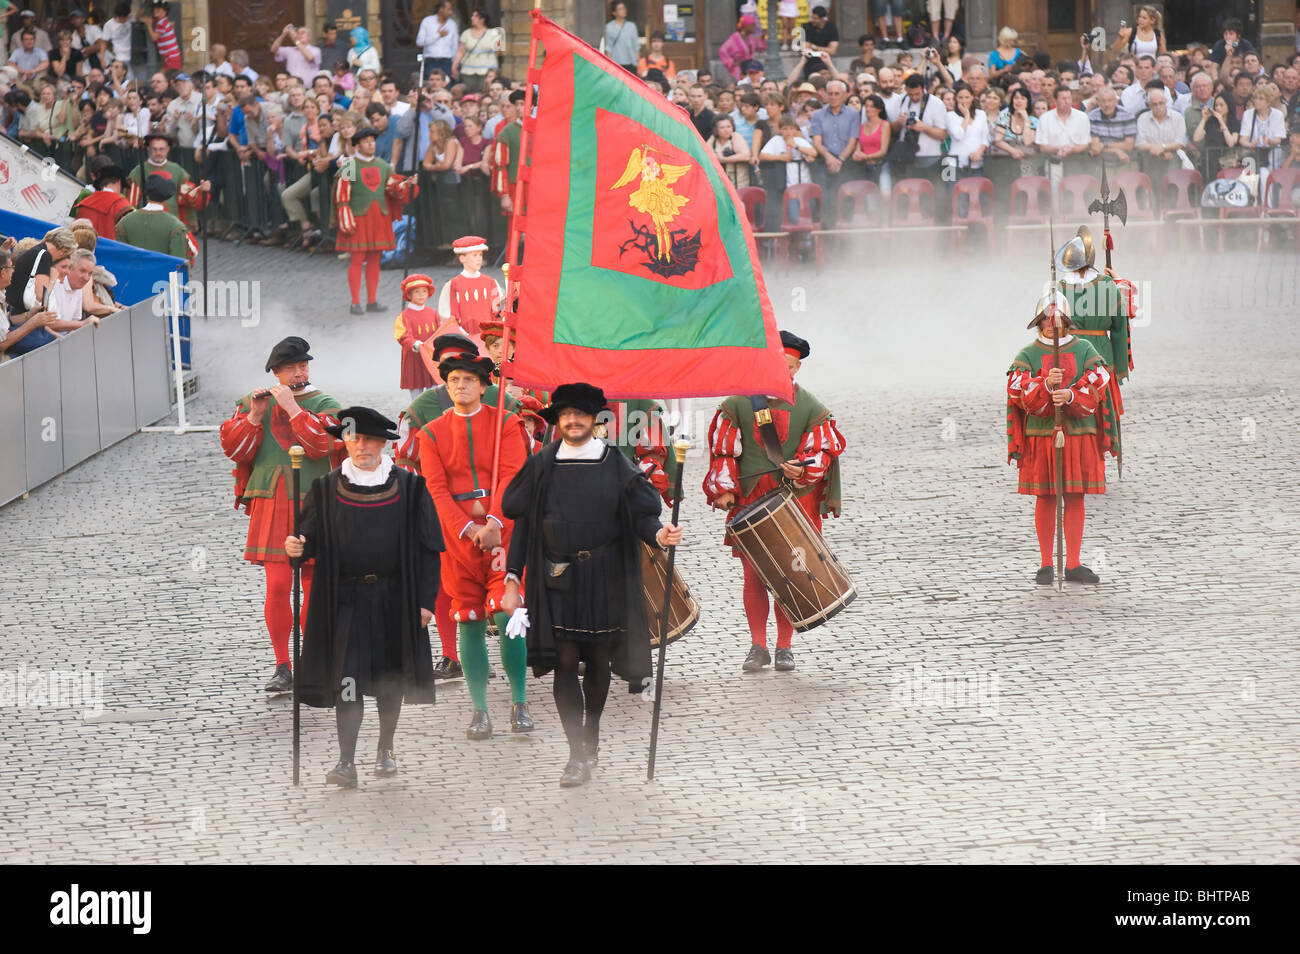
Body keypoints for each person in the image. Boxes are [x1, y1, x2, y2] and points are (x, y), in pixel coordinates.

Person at [501, 383, 682, 786]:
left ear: (595, 420)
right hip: (556, 578)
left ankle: (592, 730)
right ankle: (575, 754)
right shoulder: (543, 464)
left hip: (605, 578)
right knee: (565, 663)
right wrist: (512, 579)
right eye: (565, 415)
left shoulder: (615, 464)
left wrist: (658, 535)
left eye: (580, 414)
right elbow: (521, 520)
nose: (573, 421)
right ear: (558, 421)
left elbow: (641, 515)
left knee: (597, 663)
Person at [285, 406, 442, 787]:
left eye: (370, 440)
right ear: (345, 442)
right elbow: (309, 539)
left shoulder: (410, 487)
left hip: (396, 598)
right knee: (348, 679)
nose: (362, 446)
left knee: (390, 677)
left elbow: (428, 549)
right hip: (345, 601)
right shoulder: (325, 489)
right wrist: (297, 547)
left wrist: (425, 602)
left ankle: (385, 748)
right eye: (354, 438)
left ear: (383, 443)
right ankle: (346, 761)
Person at [702, 331, 845, 673]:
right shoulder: (737, 404)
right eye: (777, 362)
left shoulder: (810, 406)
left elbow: (822, 450)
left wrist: (803, 471)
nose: (784, 369)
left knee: (789, 573)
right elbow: (724, 450)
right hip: (751, 497)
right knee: (753, 575)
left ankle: (784, 647)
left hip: (795, 502)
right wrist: (723, 489)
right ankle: (758, 646)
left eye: (790, 365)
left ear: (796, 369)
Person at [414, 337, 533, 738]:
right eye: (454, 380)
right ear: (446, 386)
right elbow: (436, 489)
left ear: (483, 385)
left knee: (507, 613)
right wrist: (467, 529)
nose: (461, 386)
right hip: (457, 539)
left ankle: (520, 701)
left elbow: (513, 473)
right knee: (468, 619)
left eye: (468, 380)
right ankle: (479, 709)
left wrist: (496, 521)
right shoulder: (430, 434)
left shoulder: (506, 423)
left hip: (504, 535)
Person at [219, 336, 343, 693]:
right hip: (273, 500)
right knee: (276, 586)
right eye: (292, 368)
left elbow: (322, 444)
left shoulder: (326, 403)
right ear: (276, 372)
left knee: (311, 585)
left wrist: (292, 408)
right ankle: (282, 664)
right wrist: (256, 416)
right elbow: (236, 450)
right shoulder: (251, 403)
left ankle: (313, 661)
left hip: (317, 503)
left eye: (304, 366)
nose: (299, 372)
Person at [1006, 290, 1109, 586]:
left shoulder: (1086, 348)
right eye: (1046, 321)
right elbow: (1016, 389)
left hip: (1077, 434)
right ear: (1040, 323)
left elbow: (1100, 380)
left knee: (1075, 495)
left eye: (1057, 320)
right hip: (1042, 435)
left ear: (1066, 322)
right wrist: (1043, 386)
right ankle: (1046, 564)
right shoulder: (1028, 353)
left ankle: (1073, 563)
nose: (1052, 326)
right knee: (1047, 496)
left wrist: (1071, 394)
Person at [1054, 226, 1134, 470]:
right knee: (1096, 404)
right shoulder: (1109, 285)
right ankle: (1094, 459)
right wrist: (1120, 367)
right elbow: (1120, 329)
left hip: (1070, 352)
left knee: (1071, 404)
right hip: (1100, 353)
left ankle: (1072, 459)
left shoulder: (1059, 287)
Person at [334, 126, 413, 314]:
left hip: (379, 217)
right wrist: (345, 218)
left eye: (373, 141)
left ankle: (372, 301)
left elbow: (391, 189)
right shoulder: (350, 166)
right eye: (366, 141)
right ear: (358, 145)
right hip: (358, 218)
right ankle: (355, 302)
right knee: (357, 259)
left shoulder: (383, 165)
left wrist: (405, 185)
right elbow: (342, 194)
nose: (371, 144)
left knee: (374, 260)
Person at [125, 132, 210, 231]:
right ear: (148, 149)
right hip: (146, 223)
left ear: (168, 149)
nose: (158, 153)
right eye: (154, 149)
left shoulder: (177, 170)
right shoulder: (139, 171)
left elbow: (187, 197)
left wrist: (201, 190)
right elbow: (131, 203)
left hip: (172, 223)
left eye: (161, 149)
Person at [810, 79, 860, 228]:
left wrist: (840, 160)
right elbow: (817, 141)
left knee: (846, 197)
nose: (833, 97)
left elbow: (853, 140)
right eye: (830, 93)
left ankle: (846, 233)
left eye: (837, 94)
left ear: (844, 95)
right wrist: (829, 158)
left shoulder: (853, 114)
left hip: (845, 161)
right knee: (824, 198)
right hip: (823, 161)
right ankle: (826, 232)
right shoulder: (818, 114)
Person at [116, 176, 195, 262]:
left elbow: (121, 259)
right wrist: (177, 276)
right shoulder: (175, 226)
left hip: (133, 275)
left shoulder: (124, 222)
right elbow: (178, 265)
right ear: (167, 197)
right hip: (163, 275)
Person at [0, 249, 60, 360]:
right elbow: (2, 343)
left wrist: (29, 315)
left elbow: (10, 320)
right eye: (11, 267)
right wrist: (33, 323)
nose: (13, 271)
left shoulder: (2, 295)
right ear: (3, 272)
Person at [437, 235, 502, 336]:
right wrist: (460, 331)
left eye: (480, 255)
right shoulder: (453, 284)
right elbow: (450, 316)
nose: (479, 259)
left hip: (488, 336)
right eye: (474, 255)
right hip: (465, 336)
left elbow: (496, 312)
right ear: (462, 258)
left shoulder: (491, 282)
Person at [393, 273, 442, 399]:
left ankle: (431, 412)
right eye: (417, 291)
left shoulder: (433, 313)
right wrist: (415, 344)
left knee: (434, 388)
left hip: (431, 357)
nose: (421, 295)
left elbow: (440, 332)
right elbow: (402, 336)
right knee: (416, 392)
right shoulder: (404, 316)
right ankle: (416, 414)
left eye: (424, 291)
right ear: (409, 295)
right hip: (414, 358)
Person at [1037, 86, 1091, 182]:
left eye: (1069, 98)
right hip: (1053, 161)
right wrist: (1059, 148)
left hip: (1077, 161)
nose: (1067, 101)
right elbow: (1043, 146)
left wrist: (1071, 150)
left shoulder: (1082, 117)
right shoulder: (1045, 118)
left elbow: (1085, 143)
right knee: (1055, 191)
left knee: (1075, 191)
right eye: (1063, 98)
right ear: (1055, 100)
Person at [1134, 86, 1186, 181]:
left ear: (1166, 102)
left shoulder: (1177, 117)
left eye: (1161, 103)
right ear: (1149, 105)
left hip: (1172, 154)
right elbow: (1139, 143)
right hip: (1150, 155)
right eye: (1154, 104)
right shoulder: (1142, 118)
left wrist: (1162, 148)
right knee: (1150, 168)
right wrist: (1160, 151)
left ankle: (1172, 194)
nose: (1158, 107)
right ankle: (1152, 194)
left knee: (1172, 174)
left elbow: (1179, 142)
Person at [1192, 93, 1240, 180]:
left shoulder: (1235, 123)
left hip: (1226, 163)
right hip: (1209, 162)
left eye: (1221, 105)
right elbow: (1196, 138)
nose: (1218, 108)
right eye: (1216, 105)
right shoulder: (1211, 122)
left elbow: (1231, 143)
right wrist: (1204, 119)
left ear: (1228, 106)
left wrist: (1221, 122)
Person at [452, 9, 501, 91]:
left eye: (475, 16)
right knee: (469, 92)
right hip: (468, 70)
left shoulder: (494, 33)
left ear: (482, 19)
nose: (472, 18)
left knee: (486, 91)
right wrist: (454, 66)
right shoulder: (466, 33)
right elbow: (460, 51)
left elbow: (498, 52)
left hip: (487, 70)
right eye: (472, 16)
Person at [946, 83, 989, 177]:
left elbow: (985, 138)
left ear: (972, 97)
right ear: (956, 99)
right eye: (960, 98)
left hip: (976, 163)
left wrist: (979, 152)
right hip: (954, 165)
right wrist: (967, 116)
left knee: (977, 190)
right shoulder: (950, 116)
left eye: (967, 97)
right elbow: (958, 136)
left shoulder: (981, 114)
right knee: (953, 191)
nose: (964, 101)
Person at [852, 93, 890, 182]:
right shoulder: (861, 126)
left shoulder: (884, 125)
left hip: (879, 166)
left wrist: (867, 157)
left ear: (879, 109)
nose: (868, 109)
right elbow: (858, 148)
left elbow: (883, 150)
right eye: (866, 106)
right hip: (863, 167)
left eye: (872, 107)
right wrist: (858, 154)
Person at [719, 14, 766, 82]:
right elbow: (722, 50)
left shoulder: (751, 37)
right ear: (746, 26)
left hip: (750, 68)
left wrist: (762, 38)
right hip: (738, 70)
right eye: (752, 25)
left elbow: (760, 47)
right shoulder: (734, 38)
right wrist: (732, 62)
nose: (754, 27)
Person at [417, 1, 459, 77]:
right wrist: (437, 35)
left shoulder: (452, 24)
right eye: (448, 9)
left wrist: (454, 64)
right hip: (431, 60)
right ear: (441, 9)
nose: (451, 12)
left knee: (446, 86)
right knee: (430, 86)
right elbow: (419, 42)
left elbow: (454, 46)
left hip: (447, 62)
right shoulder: (427, 21)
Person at [709, 115, 751, 188]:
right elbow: (705, 155)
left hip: (738, 183)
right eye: (722, 127)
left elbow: (746, 156)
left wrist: (723, 159)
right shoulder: (713, 139)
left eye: (729, 126)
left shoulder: (736, 136)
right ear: (716, 129)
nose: (726, 130)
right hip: (720, 183)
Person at [603, 2, 638, 73]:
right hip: (616, 63)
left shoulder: (631, 26)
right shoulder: (609, 27)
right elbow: (608, 47)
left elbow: (636, 46)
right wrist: (609, 64)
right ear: (614, 13)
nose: (623, 10)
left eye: (624, 8)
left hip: (631, 63)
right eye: (620, 9)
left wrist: (637, 62)